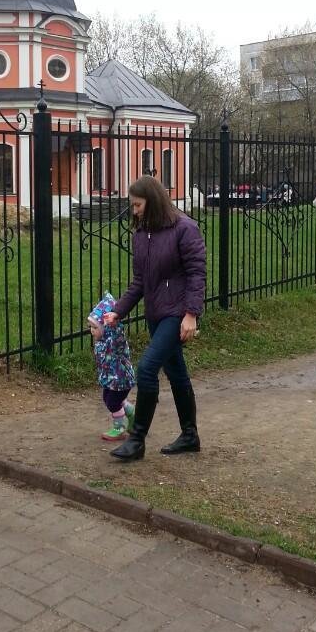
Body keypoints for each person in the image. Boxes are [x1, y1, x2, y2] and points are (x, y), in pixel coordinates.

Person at [104, 176, 206, 462]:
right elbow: (140, 282)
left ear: (153, 200)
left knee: (147, 369)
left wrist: (191, 315)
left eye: (137, 205)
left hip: (177, 314)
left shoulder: (185, 228)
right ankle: (190, 435)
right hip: (156, 314)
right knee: (176, 372)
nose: (134, 211)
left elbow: (197, 274)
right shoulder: (142, 235)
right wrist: (118, 310)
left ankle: (136, 440)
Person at [87, 291, 136, 441]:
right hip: (110, 379)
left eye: (95, 327)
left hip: (121, 379)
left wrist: (114, 324)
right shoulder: (102, 342)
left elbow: (118, 334)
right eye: (91, 327)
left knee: (112, 402)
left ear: (105, 328)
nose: (91, 331)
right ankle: (132, 413)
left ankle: (119, 428)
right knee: (109, 398)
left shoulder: (114, 340)